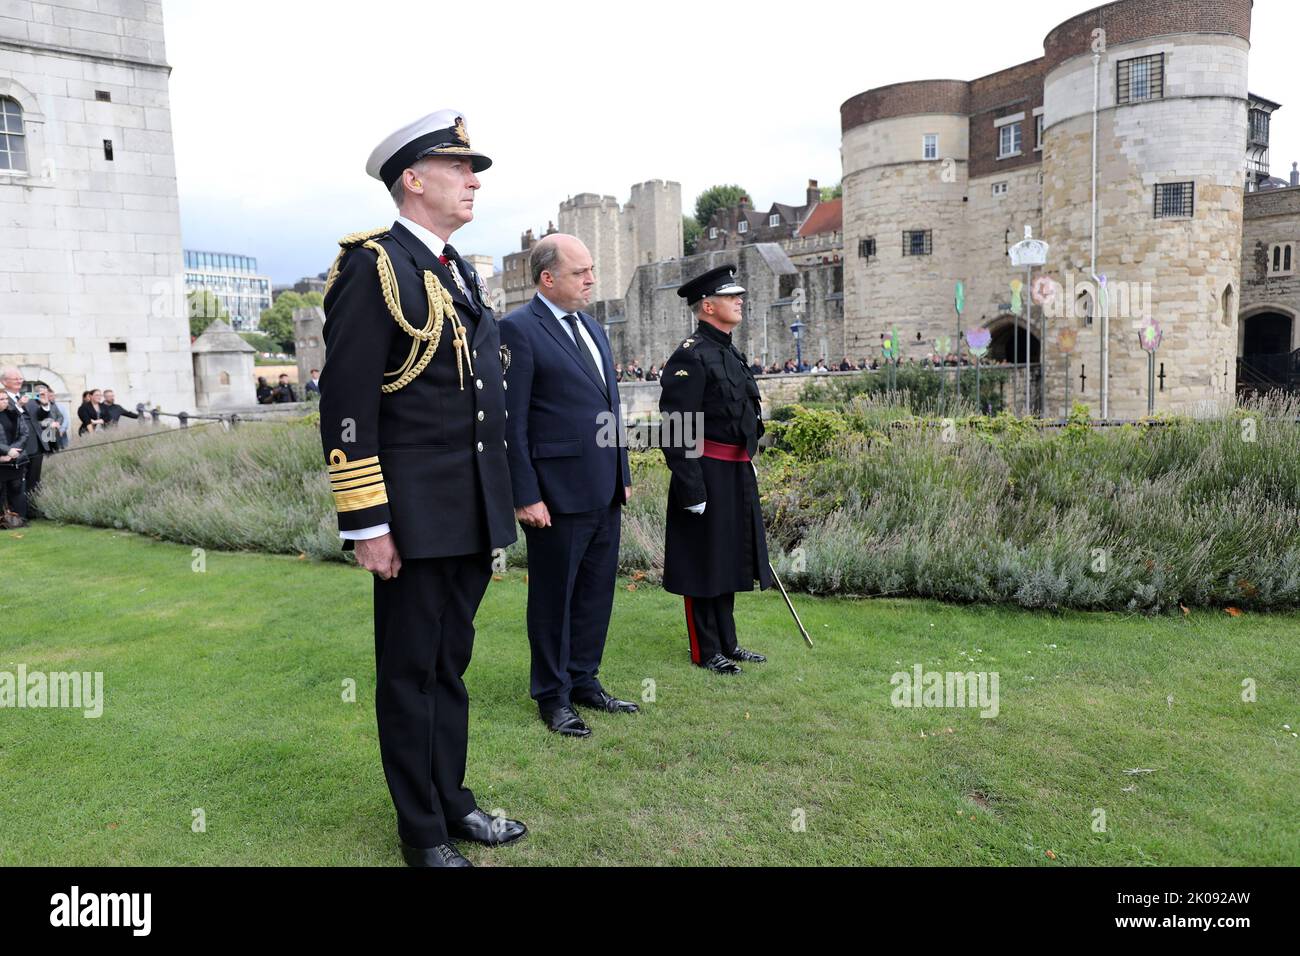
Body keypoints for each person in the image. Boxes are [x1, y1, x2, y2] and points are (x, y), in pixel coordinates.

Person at [318, 108, 525, 867]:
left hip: (466, 511)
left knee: (448, 667)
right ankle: (422, 833)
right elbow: (345, 410)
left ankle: (453, 800)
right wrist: (367, 522)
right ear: (414, 178)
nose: (474, 180)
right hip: (408, 517)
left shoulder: (453, 268)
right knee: (410, 675)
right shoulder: (374, 266)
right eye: (460, 167)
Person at [500, 234, 636, 739]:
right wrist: (526, 494)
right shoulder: (516, 329)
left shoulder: (594, 329)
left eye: (592, 270)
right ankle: (552, 696)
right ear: (547, 278)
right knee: (554, 598)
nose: (591, 280)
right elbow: (511, 424)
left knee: (596, 591)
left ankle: (584, 680)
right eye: (581, 272)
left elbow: (610, 408)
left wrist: (622, 473)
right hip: (554, 495)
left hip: (602, 488)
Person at [658, 265, 771, 674]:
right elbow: (676, 427)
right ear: (708, 305)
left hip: (734, 470)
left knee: (726, 557)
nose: (740, 301)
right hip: (704, 471)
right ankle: (706, 650)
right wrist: (692, 489)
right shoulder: (690, 355)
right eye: (731, 296)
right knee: (702, 561)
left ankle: (728, 642)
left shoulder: (728, 351)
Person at [26, 385, 64, 515]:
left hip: (49, 439)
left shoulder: (50, 403)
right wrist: (49, 423)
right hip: (35, 442)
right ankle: (29, 508)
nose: (45, 395)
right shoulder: (30, 403)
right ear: (36, 393)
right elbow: (35, 421)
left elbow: (58, 416)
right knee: (30, 478)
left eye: (46, 392)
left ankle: (34, 506)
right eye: (42, 393)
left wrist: (57, 423)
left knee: (36, 478)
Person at [0, 389, 30, 524]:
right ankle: (3, 521)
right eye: (1, 399)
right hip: (2, 460)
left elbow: (24, 433)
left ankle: (19, 520)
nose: (5, 401)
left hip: (16, 460)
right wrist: (6, 451)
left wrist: (14, 451)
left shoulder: (14, 413)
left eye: (6, 398)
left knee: (17, 490)